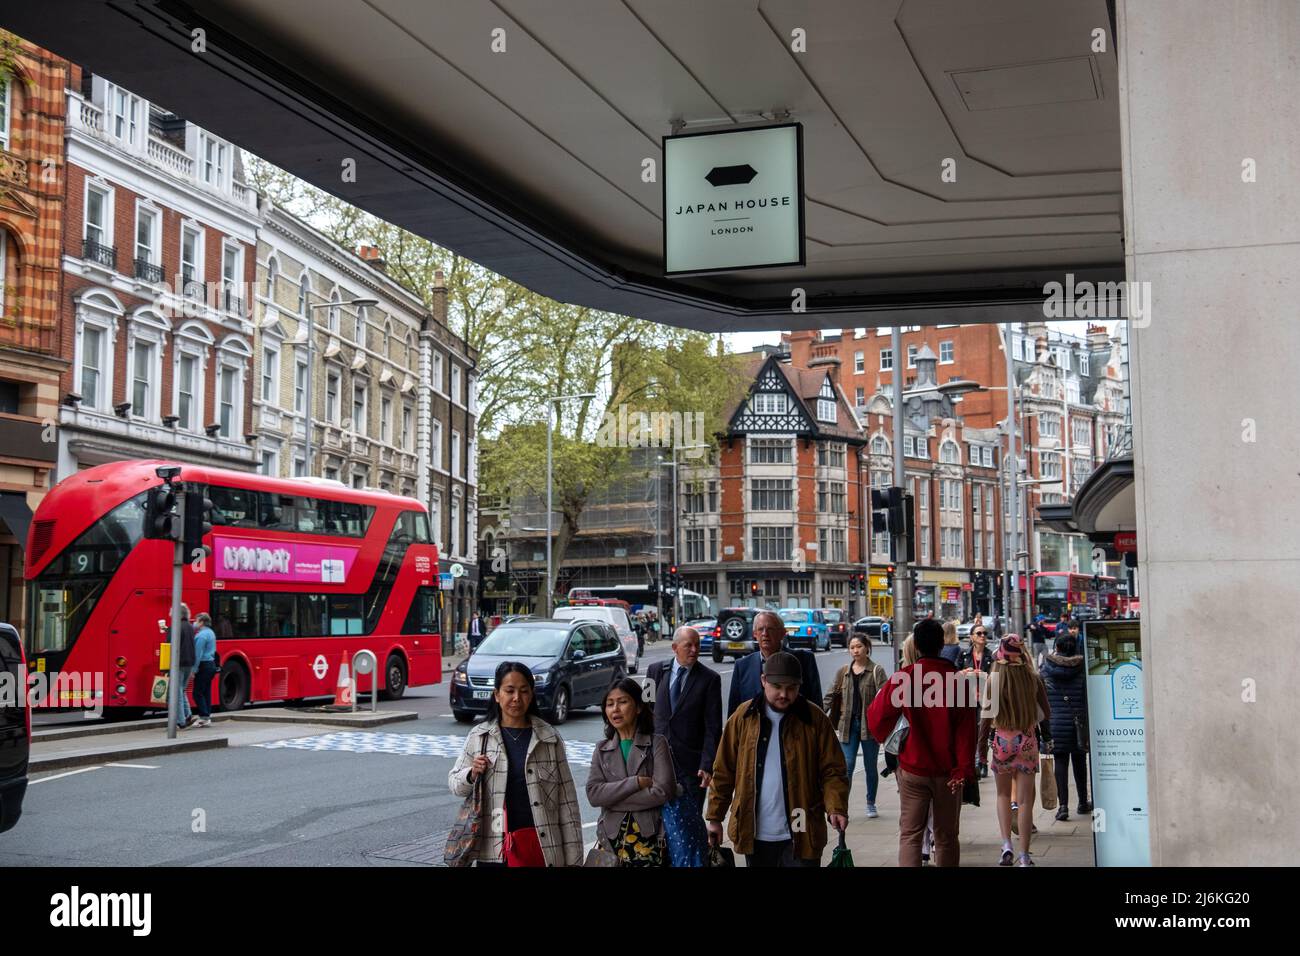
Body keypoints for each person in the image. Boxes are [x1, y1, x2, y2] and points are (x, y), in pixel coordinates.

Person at [707, 652, 848, 866]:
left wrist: (836, 807)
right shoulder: (743, 717)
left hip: (802, 831)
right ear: (764, 681)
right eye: (777, 687)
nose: (784, 694)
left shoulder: (814, 719)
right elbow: (724, 771)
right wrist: (714, 817)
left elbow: (833, 770)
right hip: (754, 833)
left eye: (791, 688)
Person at [449, 661, 584, 867]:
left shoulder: (548, 738)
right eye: (509, 690)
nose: (516, 698)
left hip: (540, 847)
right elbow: (455, 784)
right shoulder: (480, 736)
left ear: (531, 695)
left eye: (523, 691)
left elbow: (567, 804)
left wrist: (574, 860)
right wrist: (471, 773)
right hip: (493, 850)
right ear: (497, 695)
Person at [868, 618, 977, 867]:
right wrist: (963, 769)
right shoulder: (959, 682)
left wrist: (890, 746)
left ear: (915, 645)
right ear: (942, 644)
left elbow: (876, 716)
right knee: (947, 836)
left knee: (911, 834)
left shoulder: (904, 678)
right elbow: (966, 732)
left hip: (912, 768)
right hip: (949, 773)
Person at [586, 678, 677, 866]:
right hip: (610, 840)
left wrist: (612, 800)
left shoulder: (657, 744)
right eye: (610, 704)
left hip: (649, 838)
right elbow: (594, 795)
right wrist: (635, 783)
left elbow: (663, 791)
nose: (615, 709)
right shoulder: (601, 749)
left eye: (623, 702)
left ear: (638, 707)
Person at [978, 635, 1051, 867]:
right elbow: (1046, 713)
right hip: (1028, 742)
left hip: (1002, 742)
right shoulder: (1033, 678)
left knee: (1002, 795)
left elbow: (986, 719)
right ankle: (1024, 856)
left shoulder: (993, 680)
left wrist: (980, 749)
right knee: (1025, 801)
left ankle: (1006, 845)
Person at [645, 627, 722, 817]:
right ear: (674, 647)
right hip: (657, 762)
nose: (695, 650)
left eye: (697, 645)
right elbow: (644, 712)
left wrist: (707, 764)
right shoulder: (654, 671)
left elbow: (713, 727)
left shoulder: (710, 679)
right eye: (688, 645)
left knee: (689, 822)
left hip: (691, 767)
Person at [823, 635, 888, 818]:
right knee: (847, 766)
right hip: (848, 725)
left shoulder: (876, 671)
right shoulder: (843, 672)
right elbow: (830, 696)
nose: (855, 650)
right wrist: (818, 715)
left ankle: (870, 803)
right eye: (852, 647)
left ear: (867, 648)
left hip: (870, 727)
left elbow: (885, 699)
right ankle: (842, 805)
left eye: (859, 646)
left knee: (870, 766)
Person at [727, 610, 823, 716]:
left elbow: (816, 705)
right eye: (760, 629)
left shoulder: (804, 660)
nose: (765, 634)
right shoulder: (742, 666)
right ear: (755, 634)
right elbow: (734, 713)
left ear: (782, 633)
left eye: (770, 629)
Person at [1040, 632, 1091, 821]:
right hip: (1079, 724)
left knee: (1060, 763)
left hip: (1055, 723)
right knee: (1079, 762)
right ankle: (1082, 802)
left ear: (1057, 647)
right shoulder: (1082, 668)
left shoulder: (1046, 669)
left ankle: (1063, 807)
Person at [957, 624, 994, 776]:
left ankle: (982, 762)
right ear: (972, 637)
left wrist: (984, 676)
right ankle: (971, 762)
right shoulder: (964, 655)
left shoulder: (991, 656)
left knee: (982, 733)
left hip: (986, 699)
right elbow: (955, 673)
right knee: (969, 732)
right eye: (979, 633)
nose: (982, 636)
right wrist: (964, 672)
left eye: (985, 633)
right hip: (968, 698)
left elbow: (996, 677)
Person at [172, 603, 196, 728]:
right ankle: (188, 714)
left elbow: (171, 645)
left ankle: (181, 721)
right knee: (182, 689)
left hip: (179, 662)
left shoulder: (176, 627)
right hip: (190, 662)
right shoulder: (190, 627)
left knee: (177, 691)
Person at [191, 612, 218, 727]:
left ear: (201, 622)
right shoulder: (210, 633)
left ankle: (203, 716)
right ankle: (207, 715)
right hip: (211, 664)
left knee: (197, 692)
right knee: (206, 691)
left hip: (203, 665)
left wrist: (193, 670)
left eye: (196, 621)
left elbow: (197, 654)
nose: (194, 623)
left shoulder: (201, 636)